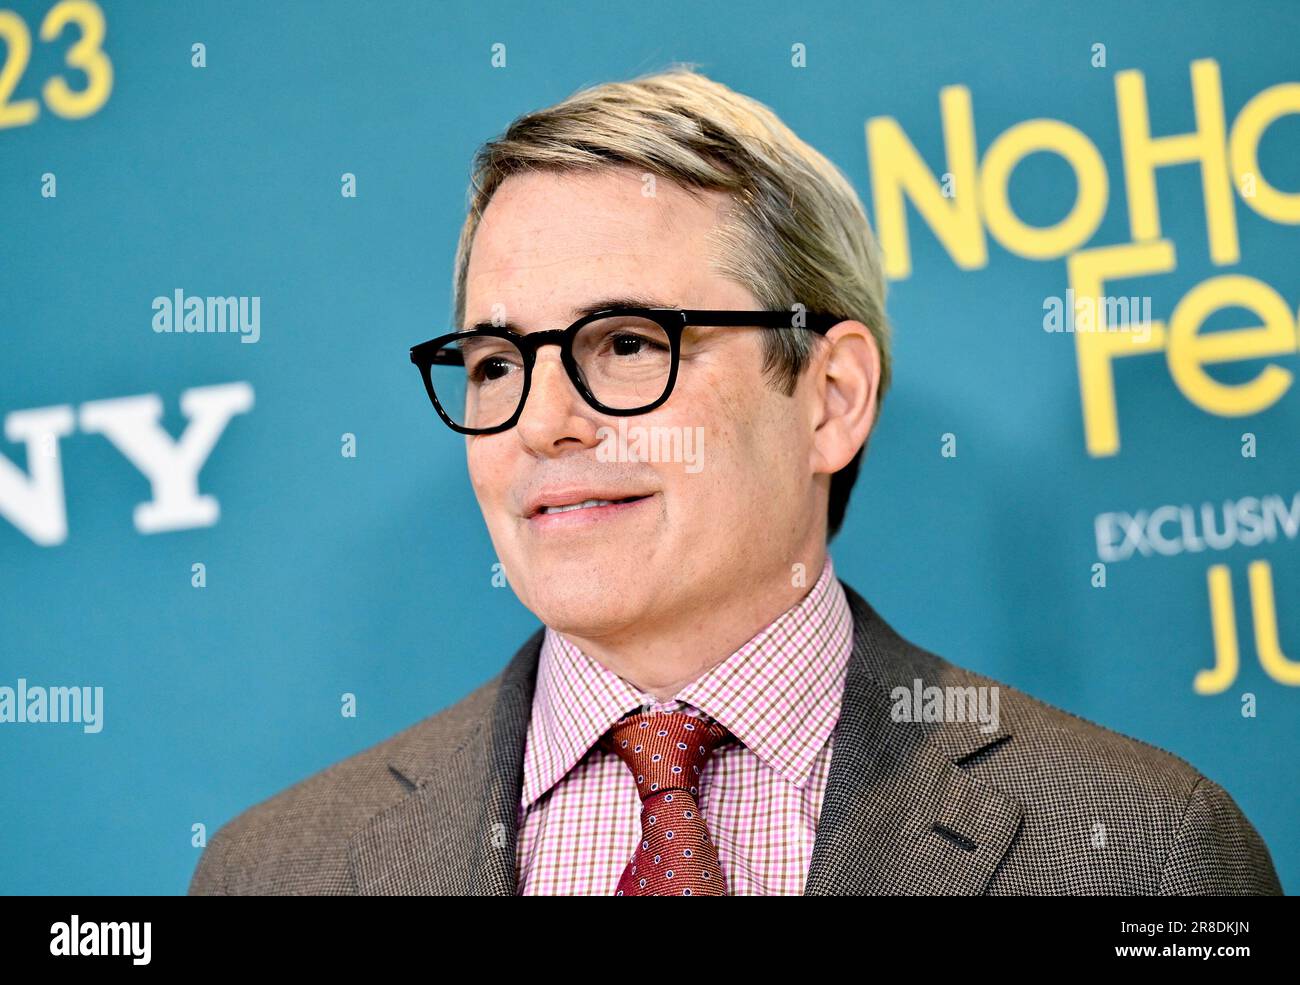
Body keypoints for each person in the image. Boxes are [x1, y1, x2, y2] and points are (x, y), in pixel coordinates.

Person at [188, 67, 1282, 896]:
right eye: (496, 364)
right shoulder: (275, 870)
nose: (543, 422)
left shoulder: (1141, 848)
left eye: (625, 343)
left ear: (830, 394)